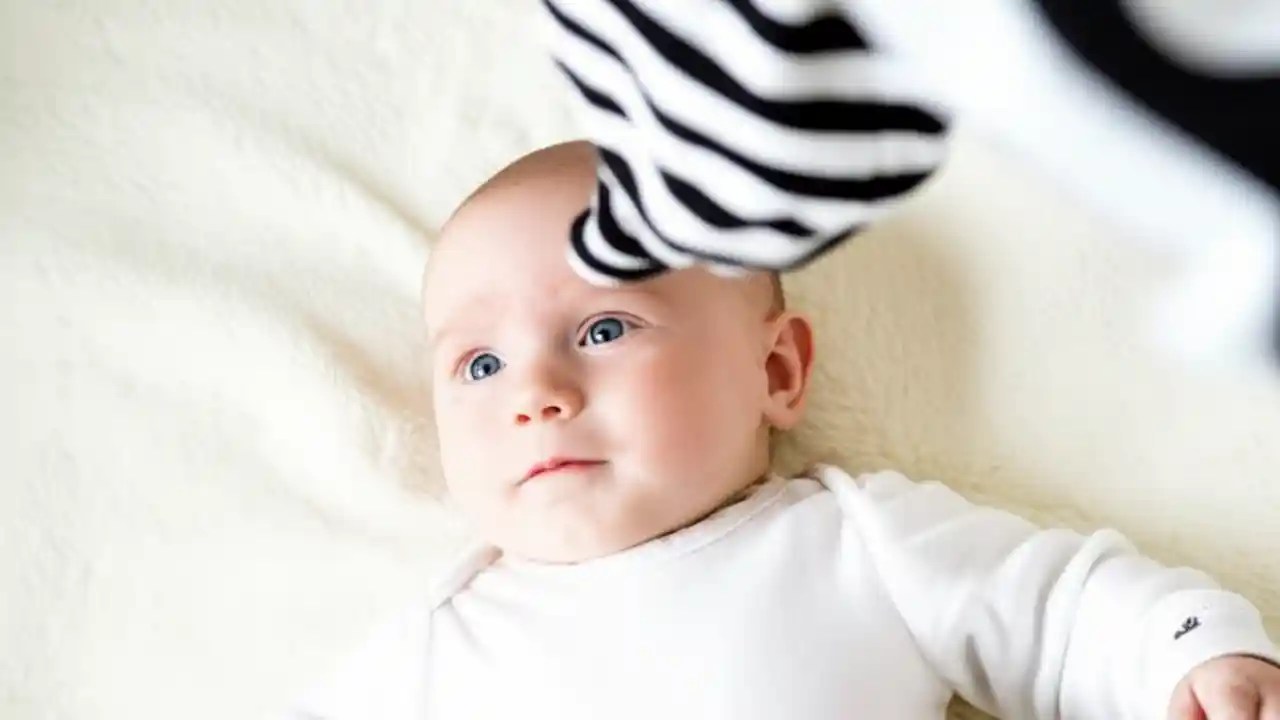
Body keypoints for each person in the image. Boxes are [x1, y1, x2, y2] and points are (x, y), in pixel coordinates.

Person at [285, 142, 1280, 720]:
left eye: (600, 328)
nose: (534, 392)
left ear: (774, 369)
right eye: (479, 364)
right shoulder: (427, 655)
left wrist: (1185, 658)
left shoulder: (856, 545)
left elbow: (1059, 607)